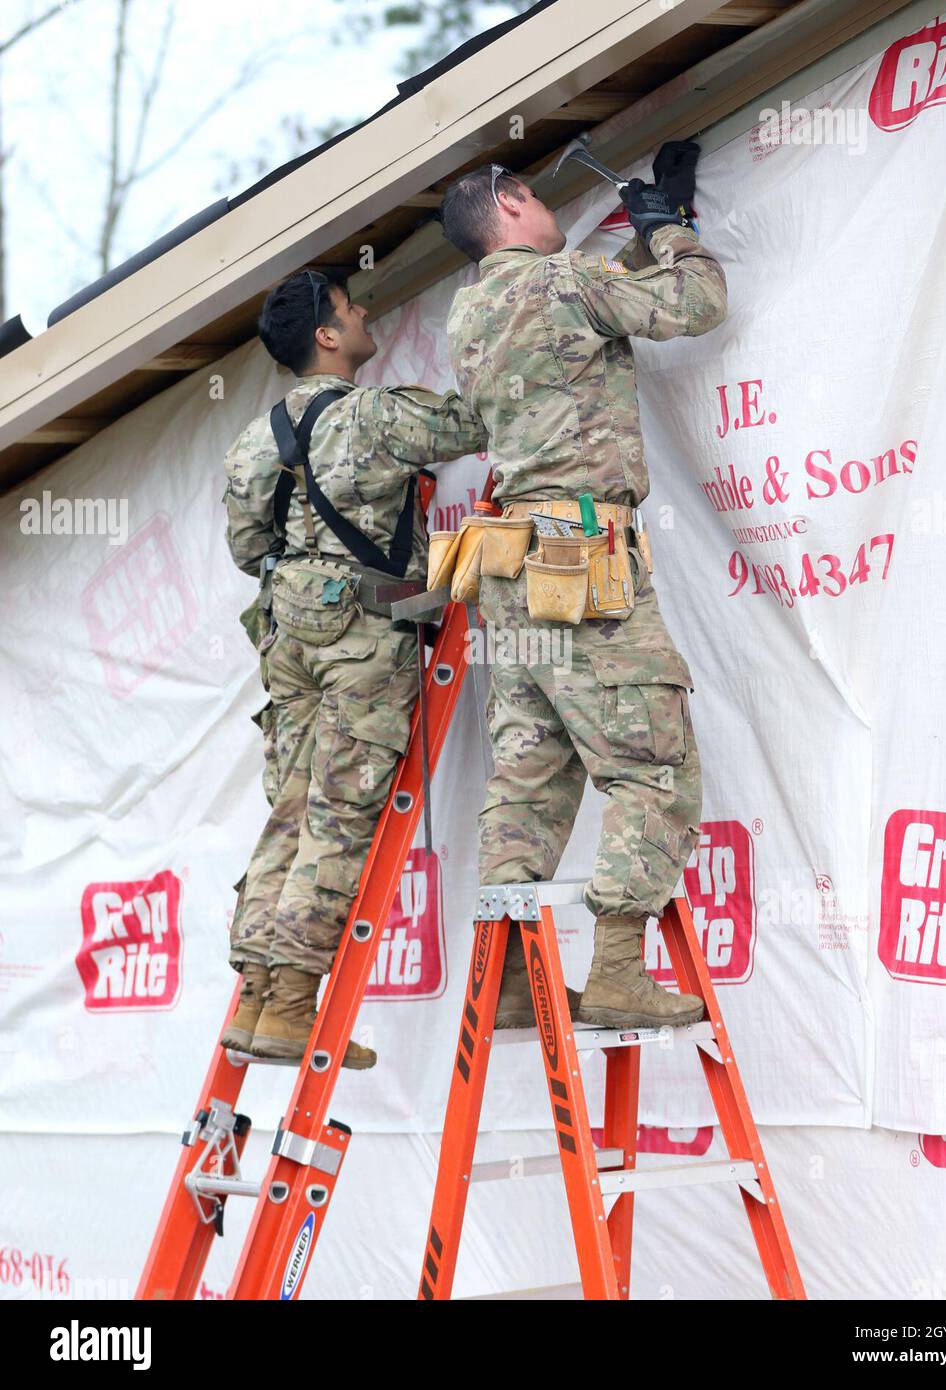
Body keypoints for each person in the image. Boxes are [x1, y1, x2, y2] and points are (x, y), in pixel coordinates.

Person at [438, 157, 727, 1029]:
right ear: (511, 202)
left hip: (507, 561)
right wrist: (669, 227)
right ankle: (613, 971)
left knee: (529, 769)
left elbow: (583, 317)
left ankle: (513, 982)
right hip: (580, 551)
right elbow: (696, 305)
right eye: (538, 193)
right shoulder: (567, 281)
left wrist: (638, 238)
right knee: (653, 762)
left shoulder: (467, 313)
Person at [221, 268, 486, 1061]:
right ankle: (297, 1002)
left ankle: (258, 1001)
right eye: (350, 306)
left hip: (287, 638)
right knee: (339, 815)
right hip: (359, 637)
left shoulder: (252, 437)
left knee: (292, 810)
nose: (365, 308)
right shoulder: (370, 415)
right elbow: (475, 423)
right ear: (327, 336)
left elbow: (247, 551)